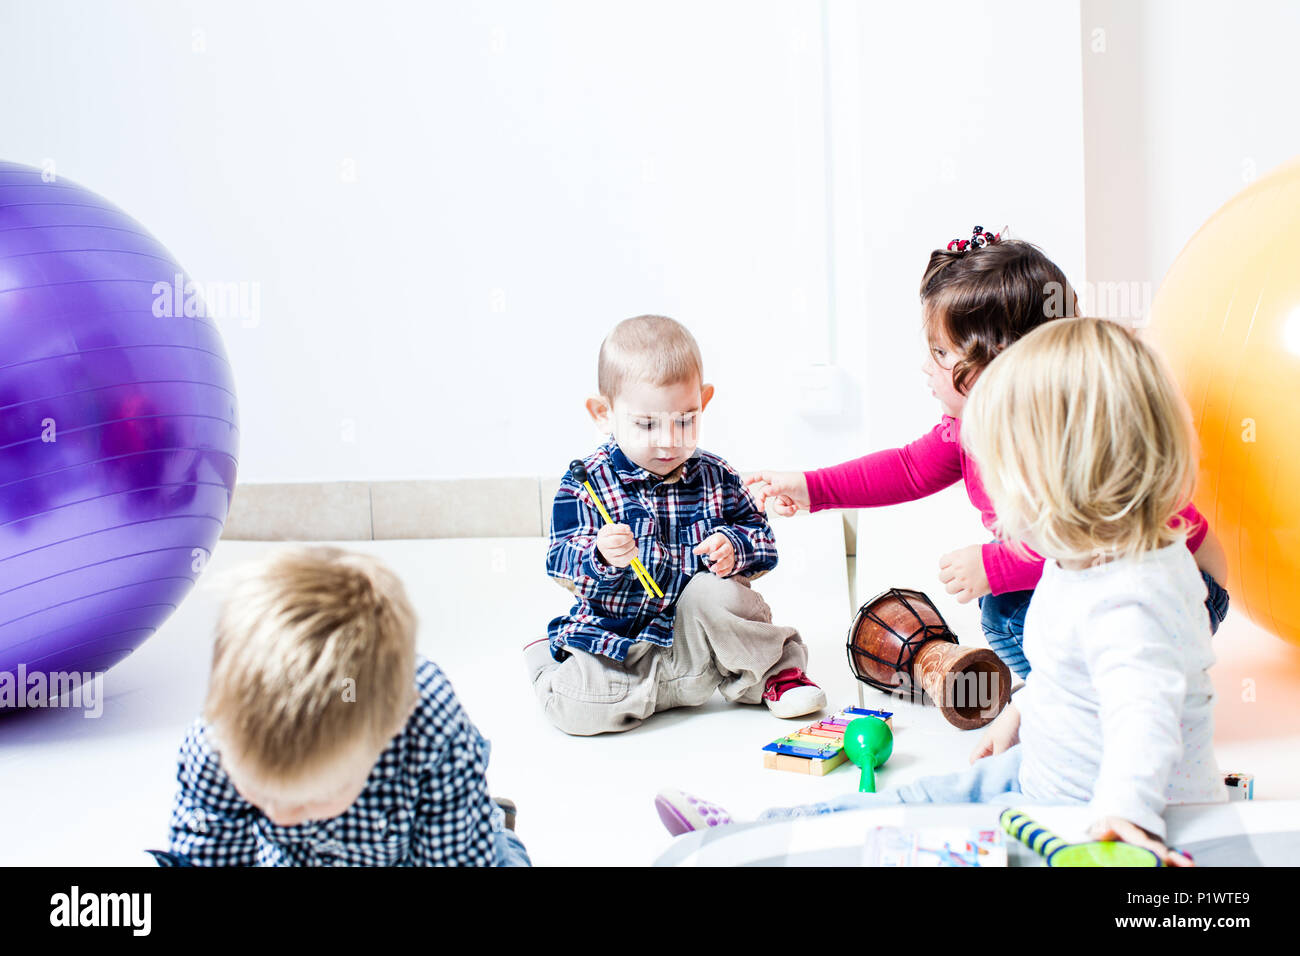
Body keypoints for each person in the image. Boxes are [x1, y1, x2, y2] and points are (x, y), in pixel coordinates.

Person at [526, 314, 826, 735]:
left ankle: (776, 675)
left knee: (714, 593)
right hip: (623, 647)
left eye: (684, 419)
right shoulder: (587, 481)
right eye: (647, 424)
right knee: (575, 707)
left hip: (698, 644)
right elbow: (559, 561)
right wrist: (599, 556)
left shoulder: (716, 475)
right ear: (603, 413)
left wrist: (734, 545)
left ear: (703, 401)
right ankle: (554, 666)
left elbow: (763, 542)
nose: (668, 440)